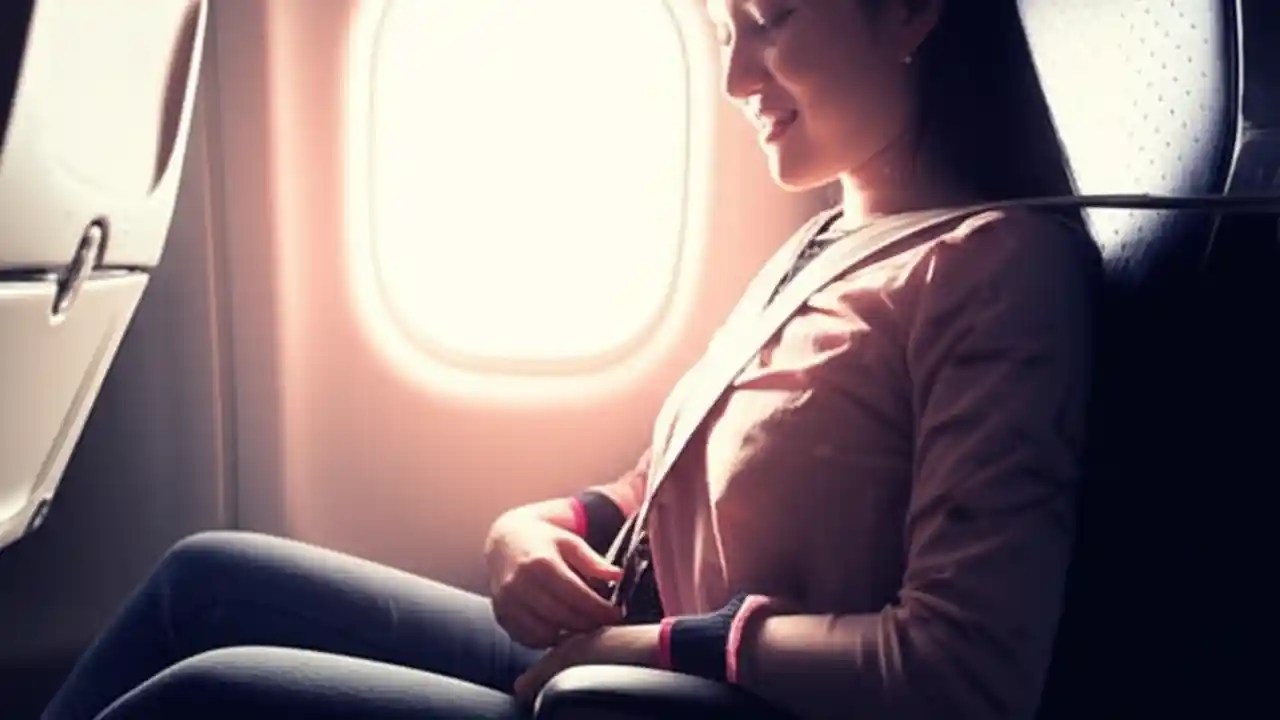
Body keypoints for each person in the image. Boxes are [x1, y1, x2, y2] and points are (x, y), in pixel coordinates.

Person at [42, 1, 1100, 718]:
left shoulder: (994, 270)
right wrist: (552, 524)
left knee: (211, 696)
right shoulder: (829, 238)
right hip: (630, 662)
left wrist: (664, 651)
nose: (733, 73)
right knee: (204, 581)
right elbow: (679, 487)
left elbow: (964, 672)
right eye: (720, 25)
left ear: (912, 8)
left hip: (682, 702)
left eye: (767, 19)